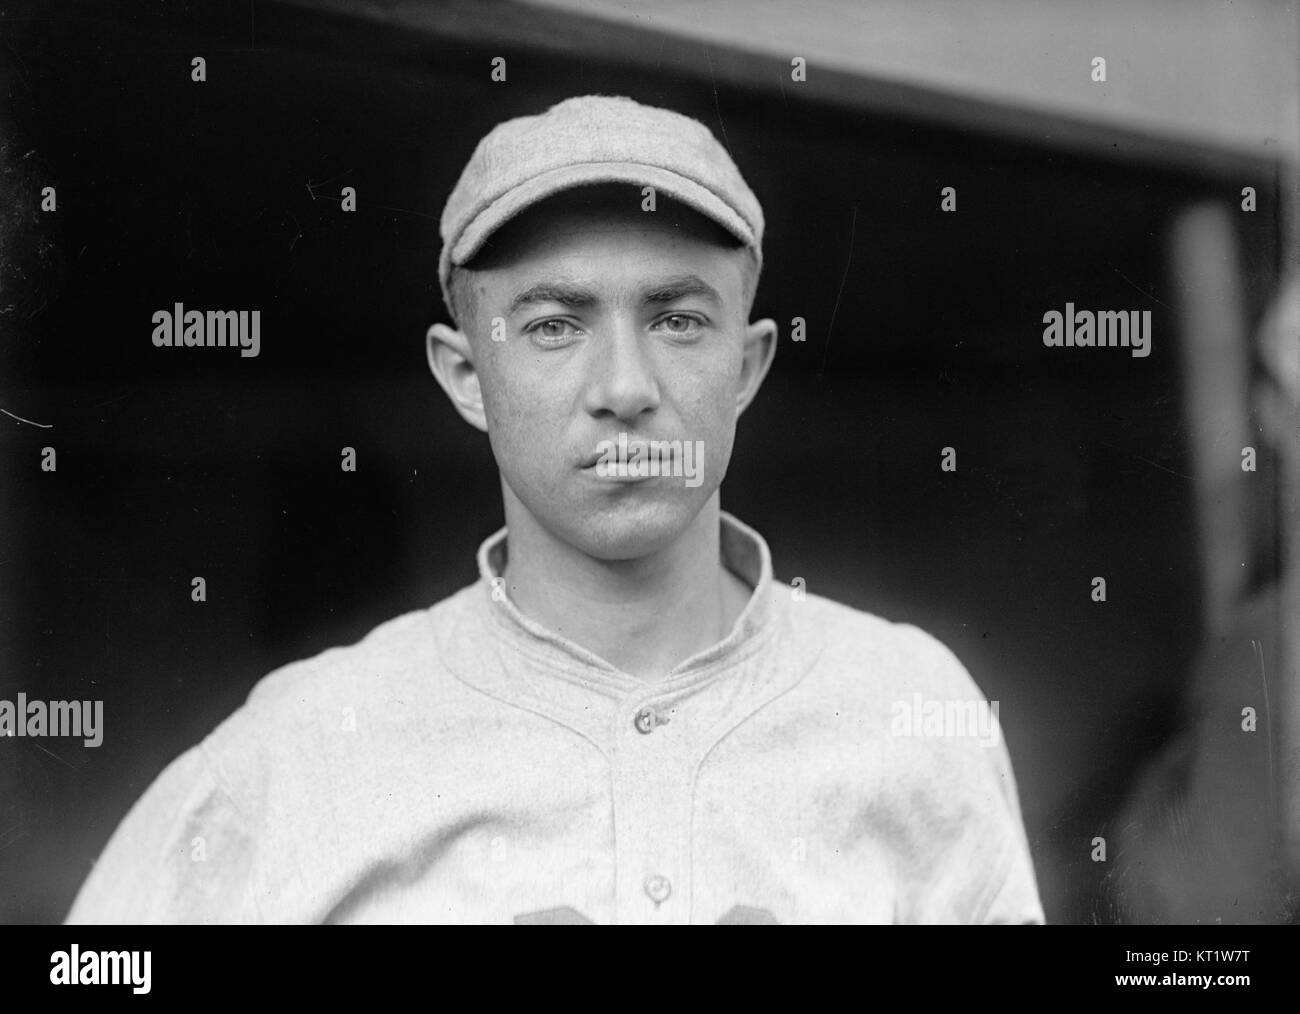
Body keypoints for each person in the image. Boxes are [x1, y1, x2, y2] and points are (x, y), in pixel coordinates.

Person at [67, 95, 1044, 924]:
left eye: (677, 319)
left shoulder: (908, 709)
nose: (624, 385)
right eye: (552, 325)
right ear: (465, 376)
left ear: (745, 366)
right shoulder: (300, 751)